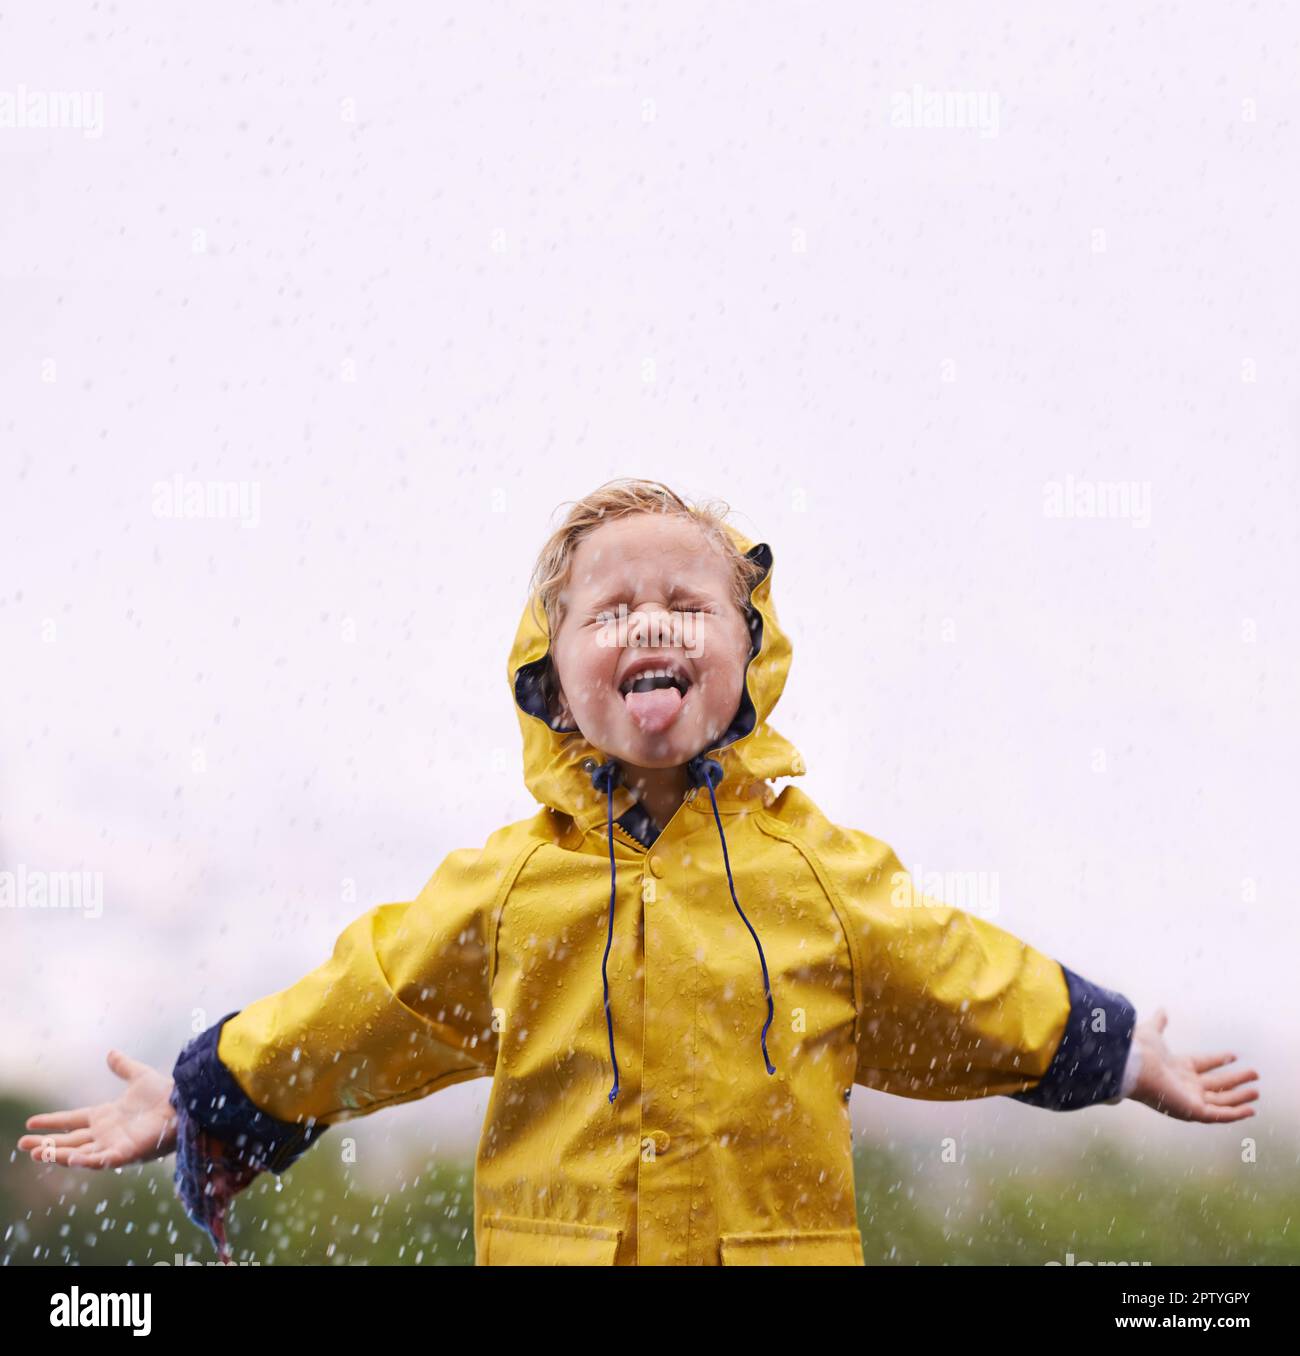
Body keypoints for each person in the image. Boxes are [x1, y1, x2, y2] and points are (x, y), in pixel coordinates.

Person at [19, 478, 1260, 1266]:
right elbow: (365, 1001)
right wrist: (204, 1095)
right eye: (611, 610)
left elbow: (956, 975)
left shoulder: (816, 875)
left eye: (688, 604)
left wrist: (1118, 1052)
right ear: (551, 675)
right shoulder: (506, 893)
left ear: (747, 657)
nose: (652, 623)